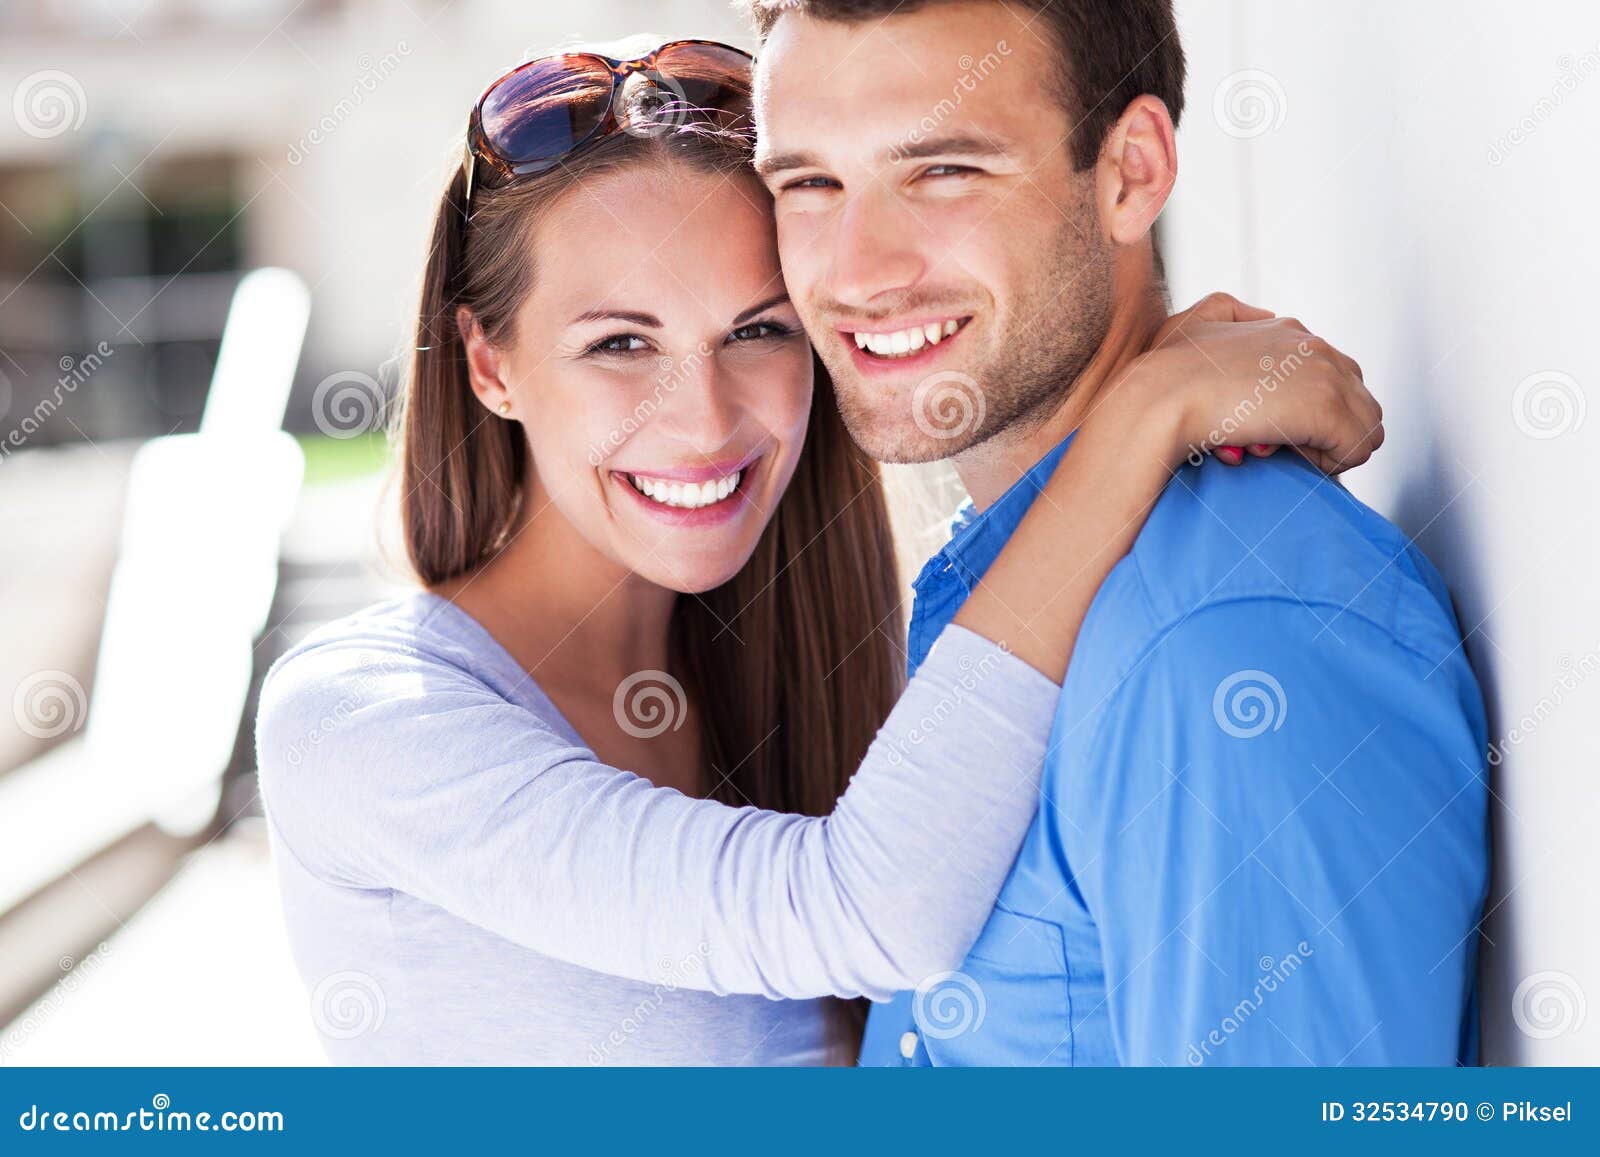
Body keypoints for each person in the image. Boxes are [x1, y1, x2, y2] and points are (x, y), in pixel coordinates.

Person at [255, 35, 1381, 1064]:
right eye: (618, 342)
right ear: (489, 363)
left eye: (756, 330)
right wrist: (1140, 419)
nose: (701, 419)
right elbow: (872, 912)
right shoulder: (363, 718)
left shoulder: (834, 688)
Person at [742, 0, 1490, 1066]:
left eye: (944, 171)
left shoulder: (1219, 650)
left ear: (1130, 171)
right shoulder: (1023, 579)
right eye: (809, 184)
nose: (857, 270)